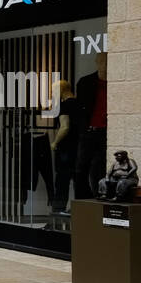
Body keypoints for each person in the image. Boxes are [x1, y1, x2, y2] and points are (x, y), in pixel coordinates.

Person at [74, 53, 107, 200]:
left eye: (107, 61)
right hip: (89, 131)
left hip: (106, 132)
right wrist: (83, 129)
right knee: (81, 167)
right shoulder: (86, 82)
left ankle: (100, 197)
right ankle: (82, 200)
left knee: (100, 167)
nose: (104, 65)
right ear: (97, 63)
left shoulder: (118, 82)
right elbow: (80, 108)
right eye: (101, 61)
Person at [49, 79, 82, 214]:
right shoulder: (80, 104)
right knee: (78, 180)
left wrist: (55, 142)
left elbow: (65, 127)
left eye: (53, 91)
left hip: (66, 148)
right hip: (79, 147)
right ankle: (79, 209)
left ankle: (58, 210)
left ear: (61, 91)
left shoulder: (64, 106)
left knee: (62, 180)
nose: (52, 94)